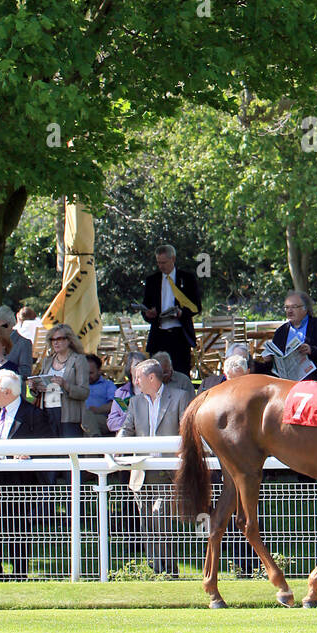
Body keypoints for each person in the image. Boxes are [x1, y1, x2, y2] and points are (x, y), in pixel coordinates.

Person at [0, 369, 55, 579]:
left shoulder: (33, 414)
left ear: (7, 391)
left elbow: (49, 445)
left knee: (17, 531)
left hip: (18, 483)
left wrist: (28, 454)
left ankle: (19, 575)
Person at [117, 358, 189, 576]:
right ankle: (157, 569)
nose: (135, 382)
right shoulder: (135, 402)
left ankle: (168, 569)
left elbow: (187, 430)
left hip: (168, 472)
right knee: (147, 522)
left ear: (151, 378)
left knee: (161, 516)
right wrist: (116, 445)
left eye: (137, 377)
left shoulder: (179, 396)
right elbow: (127, 429)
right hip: (141, 472)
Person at [139, 244, 202, 376]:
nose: (161, 266)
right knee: (157, 374)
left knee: (181, 373)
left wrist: (182, 313)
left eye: (164, 262)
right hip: (159, 335)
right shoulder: (152, 280)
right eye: (158, 262)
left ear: (173, 259)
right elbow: (145, 307)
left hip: (180, 335)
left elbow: (196, 307)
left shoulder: (187, 278)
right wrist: (149, 314)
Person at [256, 292, 317, 384]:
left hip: (315, 383)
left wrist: (312, 350)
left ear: (305, 308)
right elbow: (275, 365)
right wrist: (269, 360)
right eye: (287, 307)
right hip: (286, 386)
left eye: (294, 307)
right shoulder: (281, 332)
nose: (289, 311)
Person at [28, 325, 89, 440]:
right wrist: (35, 387)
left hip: (68, 415)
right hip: (48, 412)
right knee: (52, 451)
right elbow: (40, 388)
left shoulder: (79, 360)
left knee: (70, 452)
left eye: (59, 339)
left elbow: (84, 392)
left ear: (69, 340)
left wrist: (65, 385)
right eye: (52, 339)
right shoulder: (47, 360)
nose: (55, 343)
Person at [0, 306, 33, 381]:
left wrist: (2, 373)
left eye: (3, 326)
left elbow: (26, 372)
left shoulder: (24, 343)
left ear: (12, 324)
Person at [82, 353, 119, 437]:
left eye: (91, 373)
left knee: (87, 416)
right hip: (80, 420)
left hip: (103, 419)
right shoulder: (78, 385)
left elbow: (115, 404)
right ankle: (95, 441)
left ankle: (95, 439)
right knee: (86, 419)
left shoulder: (108, 385)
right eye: (85, 373)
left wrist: (98, 410)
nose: (87, 376)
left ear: (99, 371)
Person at [107, 352, 144, 432]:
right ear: (129, 369)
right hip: (126, 437)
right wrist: (131, 419)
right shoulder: (120, 393)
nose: (141, 368)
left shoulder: (151, 390)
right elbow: (112, 423)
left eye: (143, 365)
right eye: (137, 364)